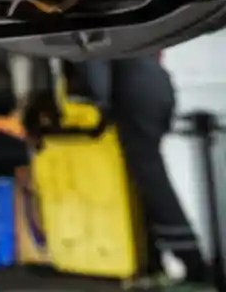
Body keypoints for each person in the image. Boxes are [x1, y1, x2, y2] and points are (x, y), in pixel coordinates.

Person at [83, 54, 211, 286]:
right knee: (144, 180)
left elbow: (94, 60)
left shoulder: (97, 33)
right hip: (158, 86)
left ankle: (191, 259)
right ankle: (155, 261)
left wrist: (100, 105)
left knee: (151, 179)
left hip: (134, 95)